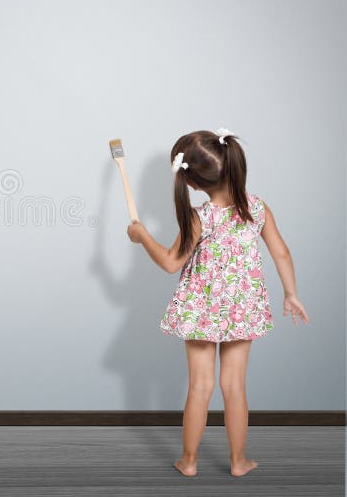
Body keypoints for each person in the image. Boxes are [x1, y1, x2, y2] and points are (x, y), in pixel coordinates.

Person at [125, 128, 309, 478]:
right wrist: (291, 293)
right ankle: (239, 462)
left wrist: (141, 235)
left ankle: (189, 461)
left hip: (201, 312)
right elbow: (281, 253)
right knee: (235, 387)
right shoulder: (257, 207)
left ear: (192, 183)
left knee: (200, 387)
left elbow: (169, 262)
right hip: (242, 308)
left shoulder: (199, 217)